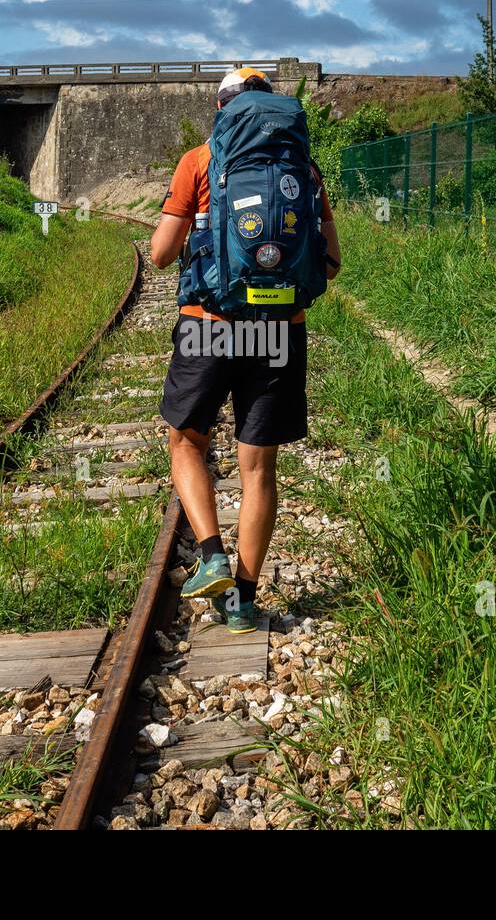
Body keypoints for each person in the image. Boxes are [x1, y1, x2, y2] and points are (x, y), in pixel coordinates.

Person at [149, 66, 342, 634]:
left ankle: (211, 555)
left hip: (210, 324)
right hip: (280, 330)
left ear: (221, 108)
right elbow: (330, 260)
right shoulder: (305, 168)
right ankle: (245, 601)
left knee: (185, 440)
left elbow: (160, 254)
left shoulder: (199, 160)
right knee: (258, 468)